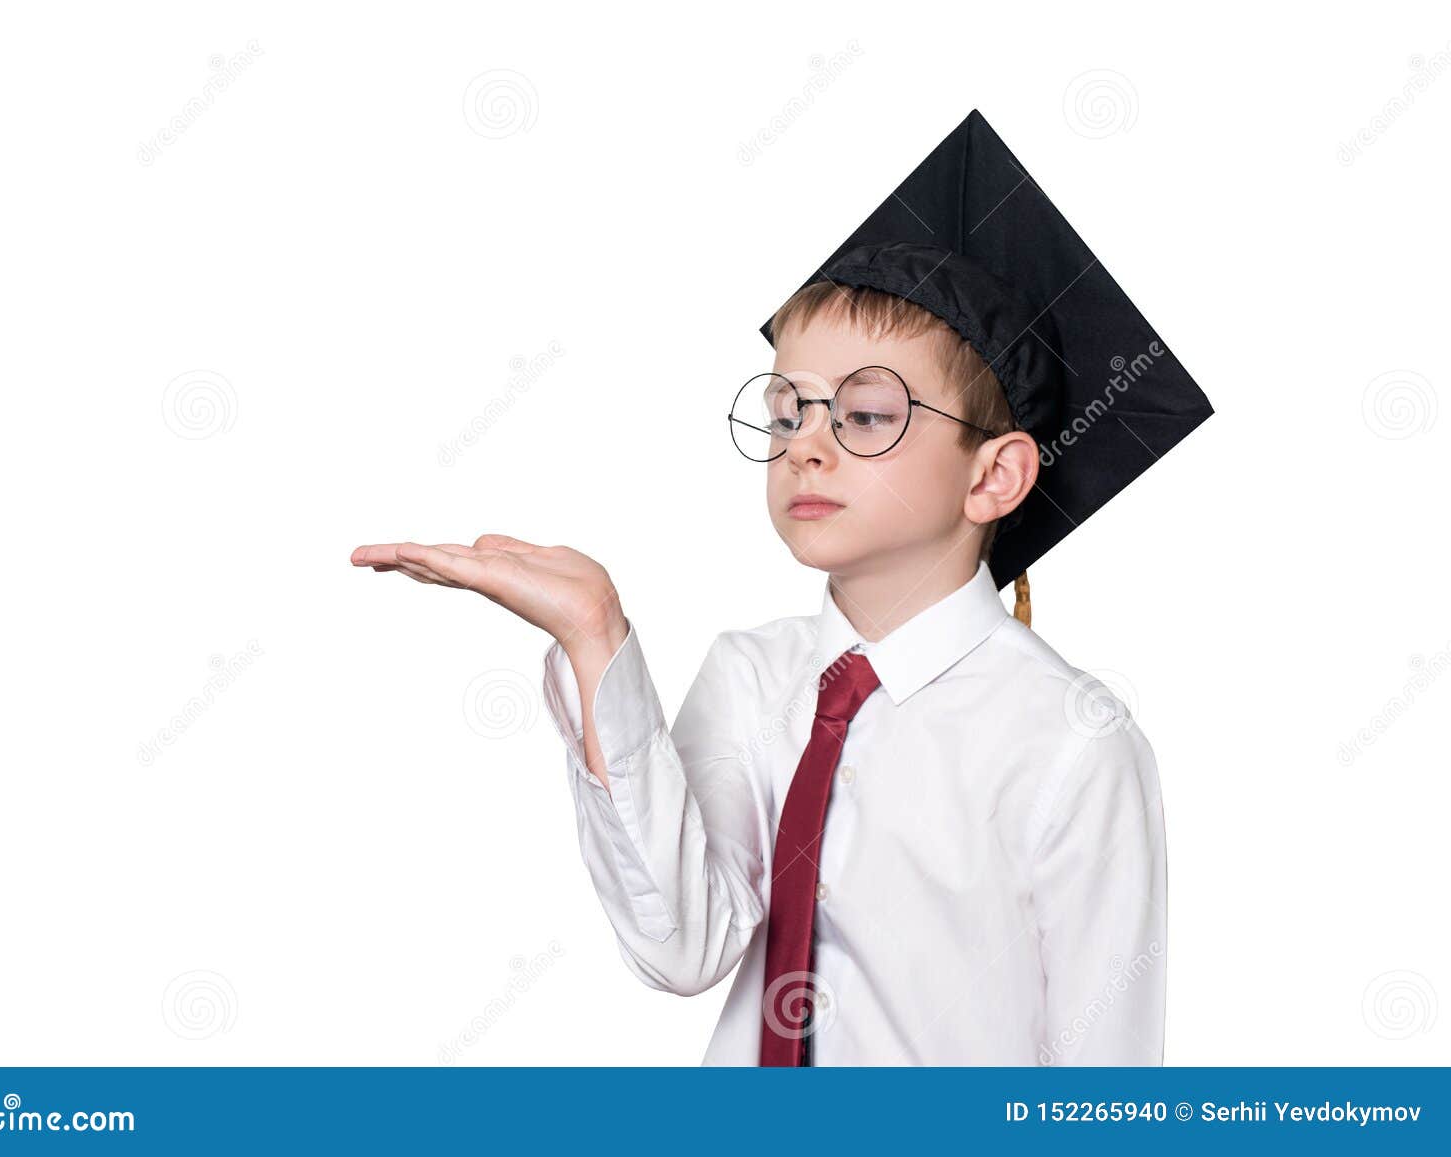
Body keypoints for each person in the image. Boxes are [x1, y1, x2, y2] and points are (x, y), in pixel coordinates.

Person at [351, 109, 1212, 1065]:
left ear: (992, 477)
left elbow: (1106, 1072)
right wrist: (597, 637)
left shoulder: (1070, 742)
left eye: (867, 413)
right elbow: (684, 944)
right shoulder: (753, 675)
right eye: (786, 409)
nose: (806, 441)